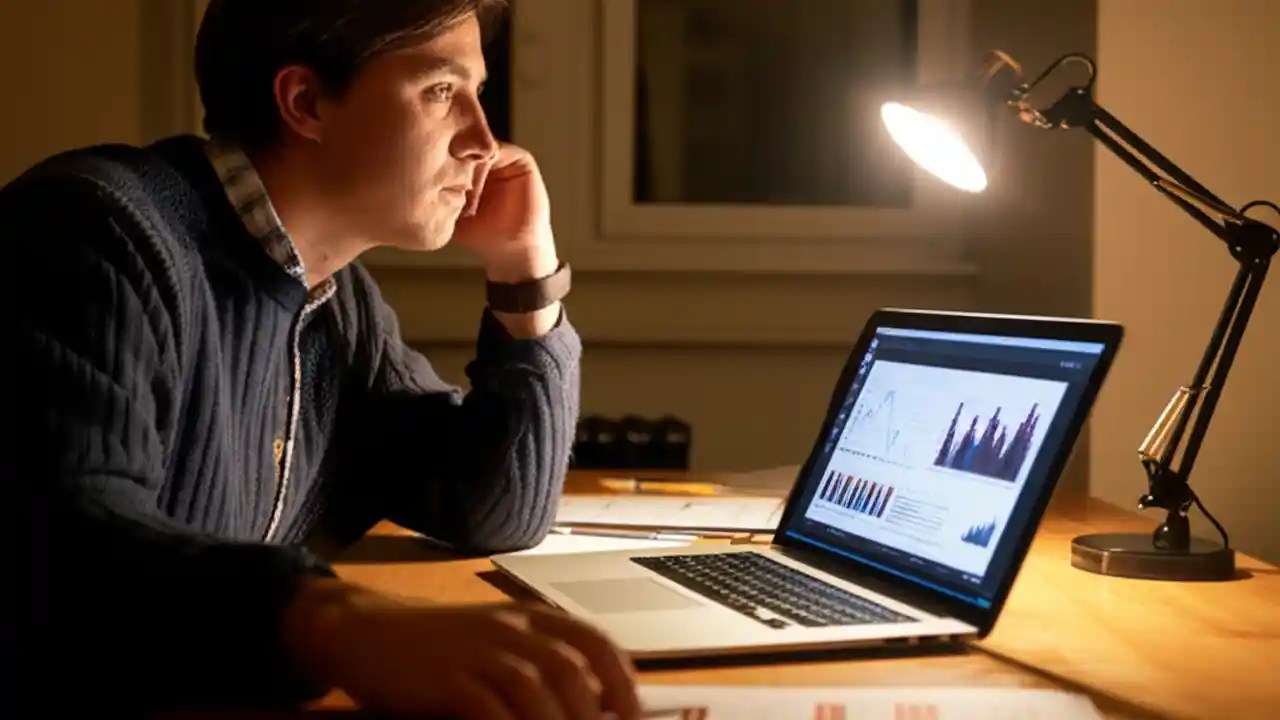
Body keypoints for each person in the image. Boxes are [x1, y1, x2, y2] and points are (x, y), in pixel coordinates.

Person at [0, 1, 641, 718]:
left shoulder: (333, 301)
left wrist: (526, 275)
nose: (485, 143)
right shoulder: (93, 234)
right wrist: (339, 620)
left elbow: (497, 508)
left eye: (479, 94)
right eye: (440, 91)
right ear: (305, 102)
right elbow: (71, 546)